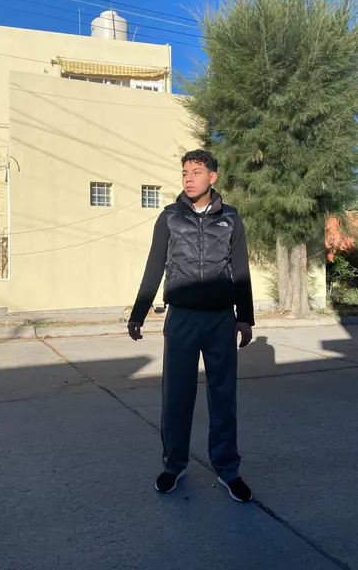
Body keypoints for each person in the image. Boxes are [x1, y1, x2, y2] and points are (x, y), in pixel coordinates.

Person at [127, 149, 254, 502]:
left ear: (212, 177)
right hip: (181, 317)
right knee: (177, 395)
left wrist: (245, 317)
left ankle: (228, 469)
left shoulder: (231, 218)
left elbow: (240, 270)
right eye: (185, 172)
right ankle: (174, 465)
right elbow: (154, 266)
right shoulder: (170, 217)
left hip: (220, 318)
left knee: (223, 395)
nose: (188, 178)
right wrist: (138, 313)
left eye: (196, 172)